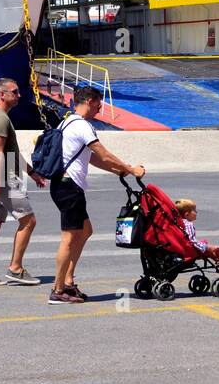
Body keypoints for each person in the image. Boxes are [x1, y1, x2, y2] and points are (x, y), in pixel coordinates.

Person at [47, 86, 146, 304]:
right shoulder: (83, 126)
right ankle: (57, 289)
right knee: (69, 237)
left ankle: (68, 281)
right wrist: (130, 169)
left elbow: (91, 158)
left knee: (85, 231)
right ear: (90, 101)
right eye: (99, 104)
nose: (100, 109)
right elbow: (103, 152)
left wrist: (119, 169)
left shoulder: (67, 122)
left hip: (64, 185)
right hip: (69, 186)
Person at [0, 78, 45, 286]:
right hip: (3, 180)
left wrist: (31, 173)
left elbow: (12, 153)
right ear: (1, 95)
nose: (19, 95)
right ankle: (15, 268)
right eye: (15, 92)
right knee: (28, 221)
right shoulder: (1, 120)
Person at [173, 199, 219, 266]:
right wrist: (203, 247)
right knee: (211, 248)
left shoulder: (176, 223)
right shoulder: (188, 224)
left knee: (207, 246)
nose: (196, 212)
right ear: (187, 214)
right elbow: (190, 240)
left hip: (179, 247)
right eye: (194, 210)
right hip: (189, 250)